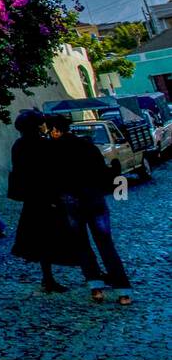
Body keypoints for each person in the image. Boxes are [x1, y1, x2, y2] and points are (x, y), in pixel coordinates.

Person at [46, 113, 134, 305]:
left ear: (55, 130)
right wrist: (114, 171)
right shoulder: (87, 145)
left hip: (70, 201)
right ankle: (123, 291)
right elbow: (103, 174)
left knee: (82, 245)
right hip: (94, 198)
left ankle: (96, 289)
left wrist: (55, 200)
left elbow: (50, 181)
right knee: (106, 244)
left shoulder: (51, 151)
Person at [8, 108, 78, 292]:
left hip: (32, 199)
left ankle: (48, 277)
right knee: (52, 237)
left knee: (40, 239)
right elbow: (55, 171)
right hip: (48, 198)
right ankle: (57, 276)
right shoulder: (43, 145)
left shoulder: (18, 145)